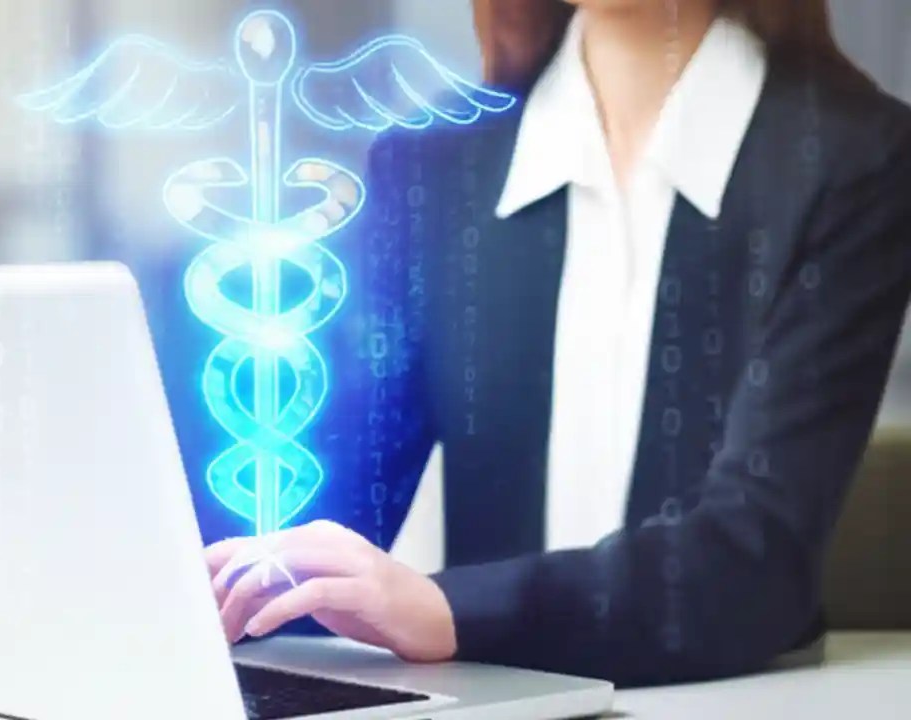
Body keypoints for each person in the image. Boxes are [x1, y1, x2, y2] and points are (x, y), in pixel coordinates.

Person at [204, 0, 911, 686]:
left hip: (737, 699)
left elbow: (754, 562)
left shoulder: (854, 159)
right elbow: (322, 510)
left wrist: (446, 609)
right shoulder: (435, 166)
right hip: (489, 698)